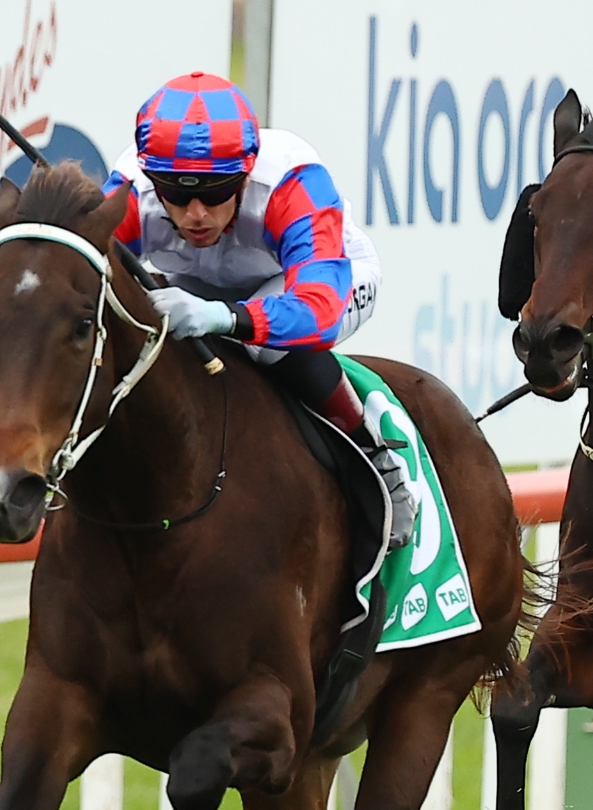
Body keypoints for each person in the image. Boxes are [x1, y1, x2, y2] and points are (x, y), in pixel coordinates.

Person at [103, 72, 414, 550]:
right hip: (202, 282)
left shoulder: (292, 184)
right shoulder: (130, 191)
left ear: (245, 175)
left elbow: (317, 312)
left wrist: (226, 318)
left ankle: (374, 460)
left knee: (267, 347)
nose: (196, 214)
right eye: (177, 194)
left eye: (215, 191)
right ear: (152, 180)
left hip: (325, 280)